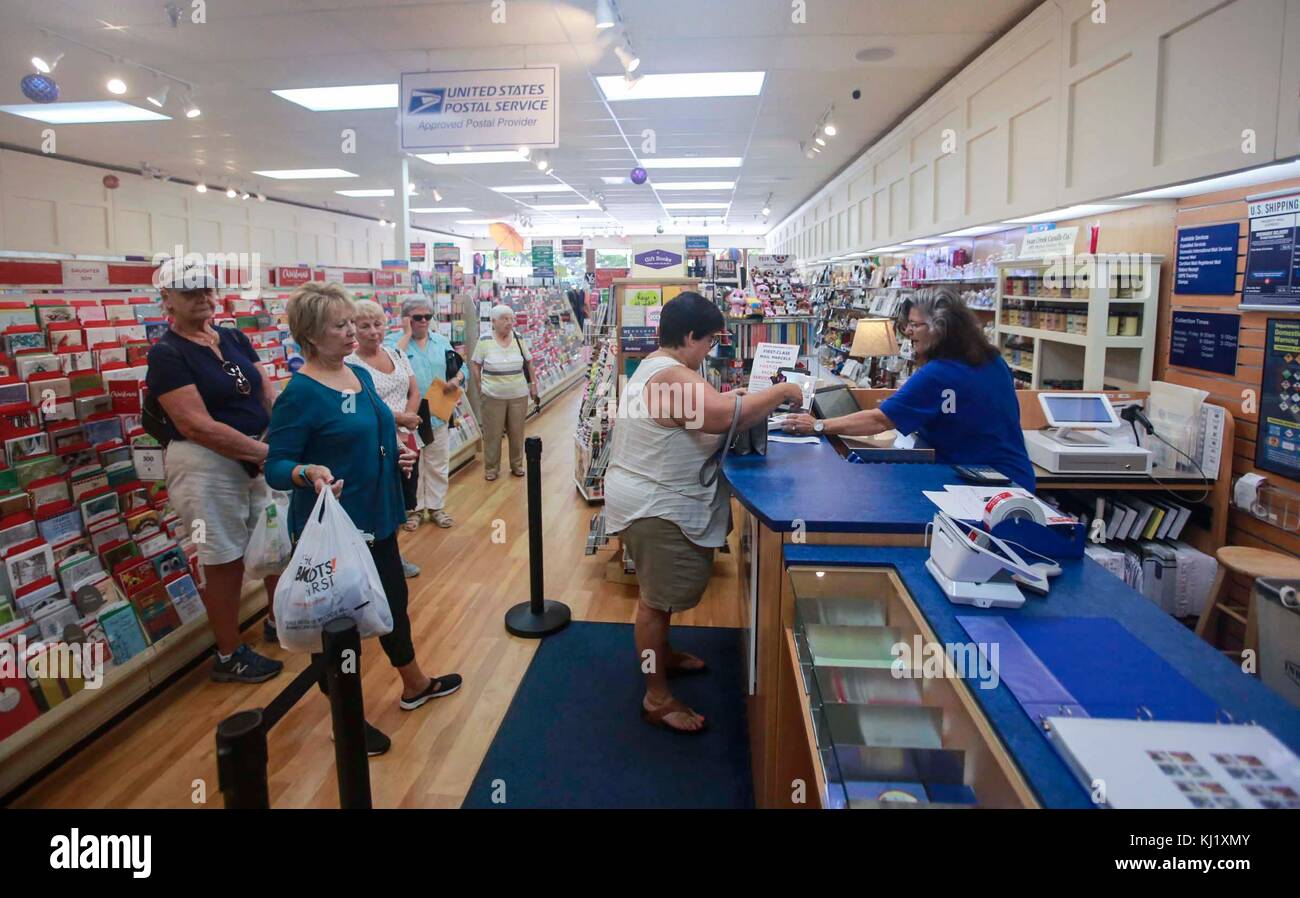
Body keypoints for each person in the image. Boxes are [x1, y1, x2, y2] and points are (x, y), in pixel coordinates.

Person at [265, 282, 461, 756]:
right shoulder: (301, 394)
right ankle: (346, 720)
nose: (352, 331)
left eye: (353, 322)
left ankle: (413, 682)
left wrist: (395, 456)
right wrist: (306, 471)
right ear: (311, 336)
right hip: (335, 528)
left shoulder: (359, 377)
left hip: (378, 513)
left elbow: (376, 429)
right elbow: (275, 463)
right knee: (339, 625)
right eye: (340, 325)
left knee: (392, 599)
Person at [604, 292, 804, 734]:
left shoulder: (662, 368)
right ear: (691, 336)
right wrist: (781, 392)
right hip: (655, 506)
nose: (711, 349)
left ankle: (665, 655)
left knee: (660, 595)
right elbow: (714, 417)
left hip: (650, 500)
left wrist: (734, 398)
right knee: (655, 604)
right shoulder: (671, 375)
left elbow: (702, 409)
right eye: (709, 341)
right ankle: (656, 697)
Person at [145, 258, 284, 684]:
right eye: (189, 292)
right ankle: (229, 653)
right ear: (167, 300)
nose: (203, 298)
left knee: (275, 541)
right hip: (204, 470)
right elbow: (194, 425)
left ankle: (281, 620)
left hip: (258, 455)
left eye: (207, 289)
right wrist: (262, 450)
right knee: (220, 556)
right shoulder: (166, 354)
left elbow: (265, 389)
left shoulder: (233, 336)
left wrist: (281, 437)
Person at [784, 285, 1035, 489]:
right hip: (1013, 480)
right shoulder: (994, 362)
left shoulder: (939, 373)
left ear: (941, 328)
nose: (908, 332)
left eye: (915, 325)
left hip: (979, 487)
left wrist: (818, 425)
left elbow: (880, 421)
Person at [346, 300, 423, 578]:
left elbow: (414, 390)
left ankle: (393, 555)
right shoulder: (350, 366)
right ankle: (373, 561)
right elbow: (361, 406)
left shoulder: (397, 355)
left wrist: (408, 420)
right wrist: (399, 419)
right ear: (353, 328)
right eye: (364, 326)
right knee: (381, 501)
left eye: (377, 324)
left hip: (407, 439)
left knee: (403, 499)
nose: (373, 331)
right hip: (376, 442)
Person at [386, 297, 462, 528]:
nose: (423, 322)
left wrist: (457, 379)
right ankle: (414, 509)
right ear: (406, 319)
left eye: (427, 317)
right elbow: (391, 361)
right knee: (413, 463)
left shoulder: (440, 341)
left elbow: (461, 365)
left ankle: (436, 506)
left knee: (437, 461)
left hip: (438, 410)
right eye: (417, 317)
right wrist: (407, 334)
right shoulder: (393, 342)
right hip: (407, 413)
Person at [471, 304, 538, 481]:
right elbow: (476, 364)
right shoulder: (484, 340)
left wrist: (533, 384)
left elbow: (529, 362)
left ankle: (517, 465)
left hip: (518, 394)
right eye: (505, 319)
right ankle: (491, 468)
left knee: (517, 432)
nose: (509, 323)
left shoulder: (518, 337)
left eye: (511, 319)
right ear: (493, 321)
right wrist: (480, 387)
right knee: (492, 434)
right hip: (492, 395)